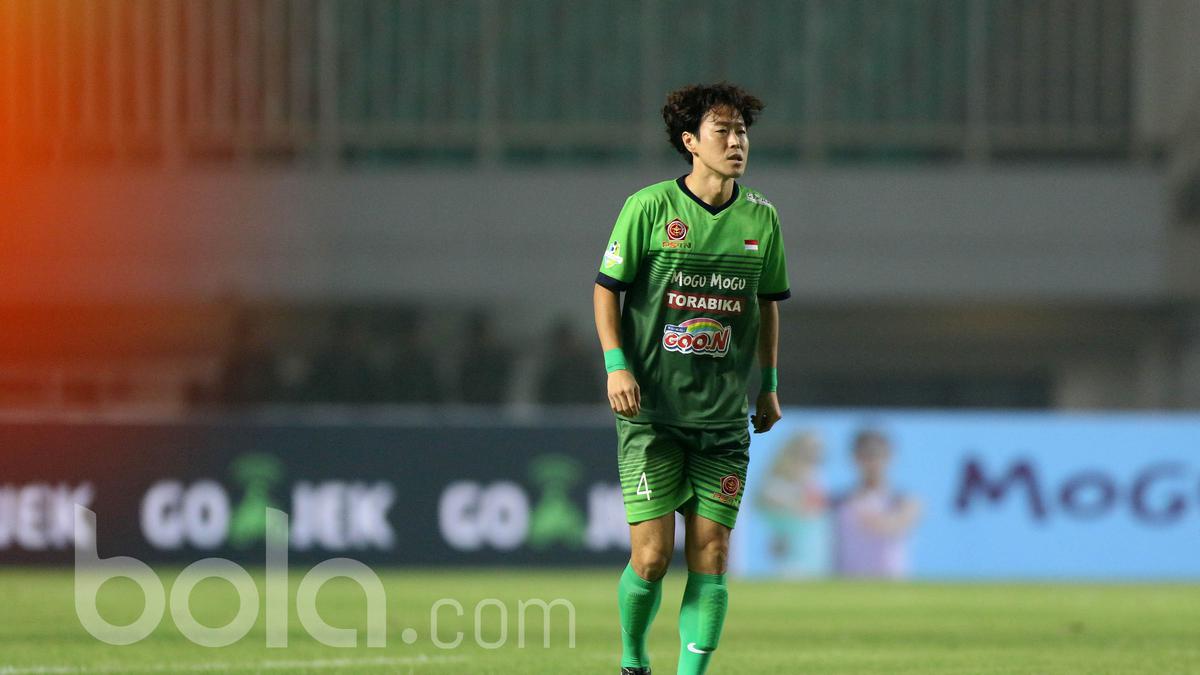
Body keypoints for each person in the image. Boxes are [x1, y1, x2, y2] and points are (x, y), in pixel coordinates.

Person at [593, 82, 790, 675]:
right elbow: (607, 293)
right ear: (690, 142)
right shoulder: (648, 209)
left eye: (742, 132)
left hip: (724, 419)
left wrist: (770, 382)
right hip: (652, 414)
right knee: (652, 557)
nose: (736, 142)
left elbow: (768, 304)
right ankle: (632, 660)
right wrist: (616, 365)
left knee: (713, 552)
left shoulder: (761, 218)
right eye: (722, 132)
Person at [833, 429, 922, 579]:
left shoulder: (903, 501)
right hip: (848, 585)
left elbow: (898, 525)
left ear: (890, 457)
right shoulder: (838, 501)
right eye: (865, 456)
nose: (872, 462)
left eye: (877, 455)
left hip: (890, 585)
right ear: (855, 458)